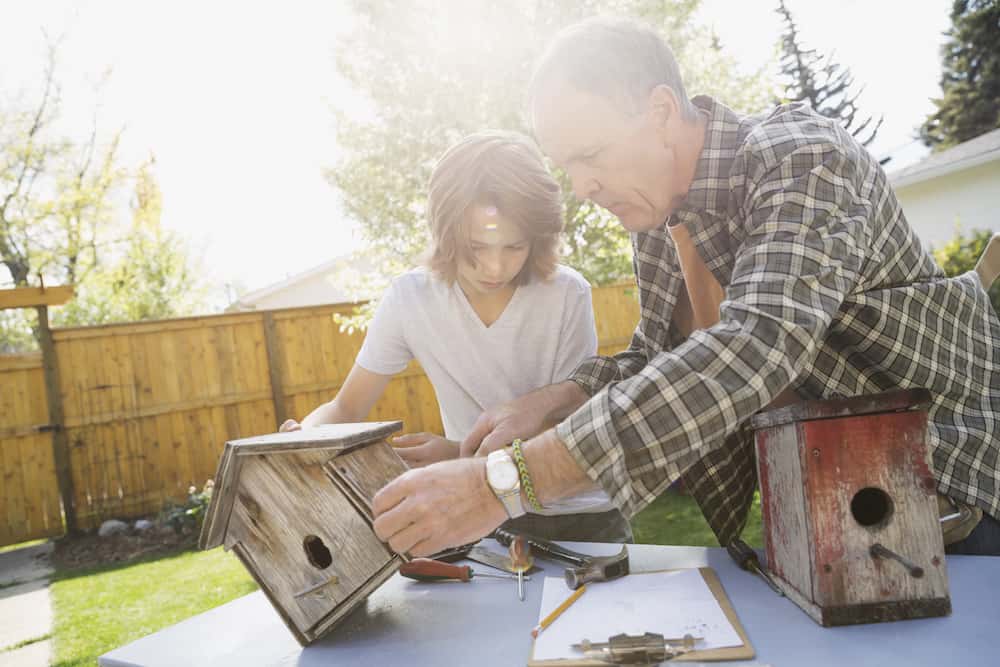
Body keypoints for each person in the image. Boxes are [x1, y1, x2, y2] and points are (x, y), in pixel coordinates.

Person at [371, 16, 1000, 557]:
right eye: (568, 166)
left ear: (663, 112)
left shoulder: (802, 160)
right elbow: (656, 360)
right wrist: (556, 398)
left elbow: (755, 345)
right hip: (829, 513)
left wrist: (502, 484)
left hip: (954, 501)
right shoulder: (656, 224)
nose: (581, 186)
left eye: (591, 154)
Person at [281, 130, 632, 543]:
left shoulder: (566, 293)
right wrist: (302, 440)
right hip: (475, 515)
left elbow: (568, 430)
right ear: (444, 234)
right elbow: (345, 407)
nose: (495, 267)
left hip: (578, 514)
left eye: (513, 247)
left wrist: (455, 454)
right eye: (475, 247)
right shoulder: (410, 299)